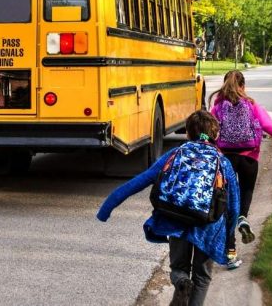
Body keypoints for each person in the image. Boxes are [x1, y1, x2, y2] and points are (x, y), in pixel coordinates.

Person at [96, 110, 240, 306]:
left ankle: (181, 282)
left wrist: (108, 206)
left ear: (188, 133)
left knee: (178, 268)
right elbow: (233, 206)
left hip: (176, 220)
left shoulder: (175, 154)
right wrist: (229, 237)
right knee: (202, 277)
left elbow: (141, 180)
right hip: (207, 227)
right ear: (215, 135)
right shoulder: (223, 162)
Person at [209, 70, 272, 268]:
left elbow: (209, 132)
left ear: (225, 85)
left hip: (227, 160)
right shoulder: (253, 105)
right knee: (246, 191)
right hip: (249, 158)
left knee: (227, 204)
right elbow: (268, 126)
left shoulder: (217, 107)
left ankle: (230, 254)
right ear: (243, 86)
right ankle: (243, 218)